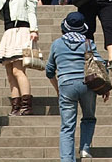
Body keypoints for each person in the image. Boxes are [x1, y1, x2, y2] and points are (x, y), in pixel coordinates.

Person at [46, 10, 107, 162]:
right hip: (87, 85)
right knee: (88, 118)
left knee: (67, 126)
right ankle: (85, 149)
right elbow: (101, 64)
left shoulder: (57, 44)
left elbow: (49, 70)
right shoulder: (89, 43)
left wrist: (57, 88)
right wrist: (105, 87)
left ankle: (67, 159)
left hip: (66, 85)